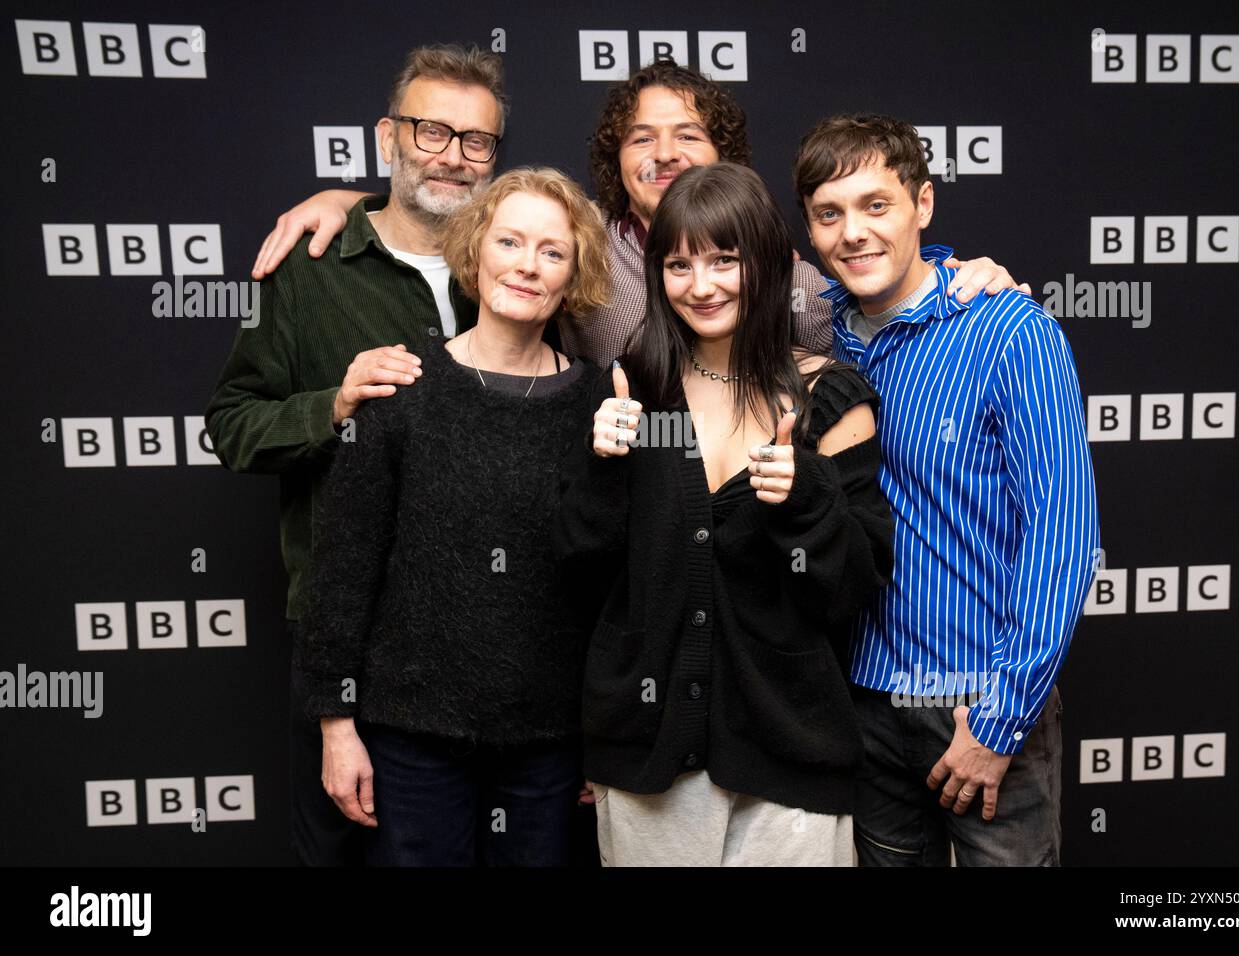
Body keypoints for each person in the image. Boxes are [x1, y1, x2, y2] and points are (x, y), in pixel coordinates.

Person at [203, 43, 508, 866]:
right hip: (352, 637)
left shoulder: (515, 268)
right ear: (386, 136)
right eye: (430, 130)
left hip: (492, 632)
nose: (452, 156)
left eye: (476, 140)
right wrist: (331, 405)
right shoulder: (306, 271)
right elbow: (231, 425)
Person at [553, 162, 894, 866]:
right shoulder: (634, 391)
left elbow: (852, 592)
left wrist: (805, 498)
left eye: (724, 261)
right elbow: (581, 569)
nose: (701, 286)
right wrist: (600, 466)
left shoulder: (831, 398)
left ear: (766, 262)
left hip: (792, 752)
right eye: (678, 265)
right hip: (647, 751)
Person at [253, 61, 1026, 369]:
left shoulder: (784, 265)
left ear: (722, 154)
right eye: (641, 138)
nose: (663, 154)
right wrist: (352, 201)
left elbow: (875, 299)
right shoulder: (579, 240)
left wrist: (958, 274)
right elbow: (476, 221)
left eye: (687, 135)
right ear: (616, 158)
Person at [792, 113, 1099, 866]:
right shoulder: (825, 332)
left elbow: (1062, 537)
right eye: (829, 214)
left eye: (876, 205)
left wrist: (1001, 720)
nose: (853, 233)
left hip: (980, 703)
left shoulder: (1011, 331)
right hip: (866, 702)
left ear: (922, 204)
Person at [297, 167, 611, 866]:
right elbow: (344, 567)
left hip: (550, 744)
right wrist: (335, 724)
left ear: (574, 276)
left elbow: (609, 588)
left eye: (552, 252)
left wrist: (605, 731)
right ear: (475, 251)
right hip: (411, 739)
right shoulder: (400, 387)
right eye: (509, 241)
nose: (526, 265)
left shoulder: (597, 406)